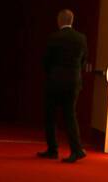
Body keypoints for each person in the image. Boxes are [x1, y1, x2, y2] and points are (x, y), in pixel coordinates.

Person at [37, 8, 88, 164]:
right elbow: (83, 61)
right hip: (73, 83)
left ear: (59, 21)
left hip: (55, 81)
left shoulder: (54, 38)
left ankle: (53, 149)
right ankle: (76, 149)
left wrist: (50, 74)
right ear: (71, 21)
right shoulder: (81, 38)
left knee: (50, 116)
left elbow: (46, 61)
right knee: (70, 116)